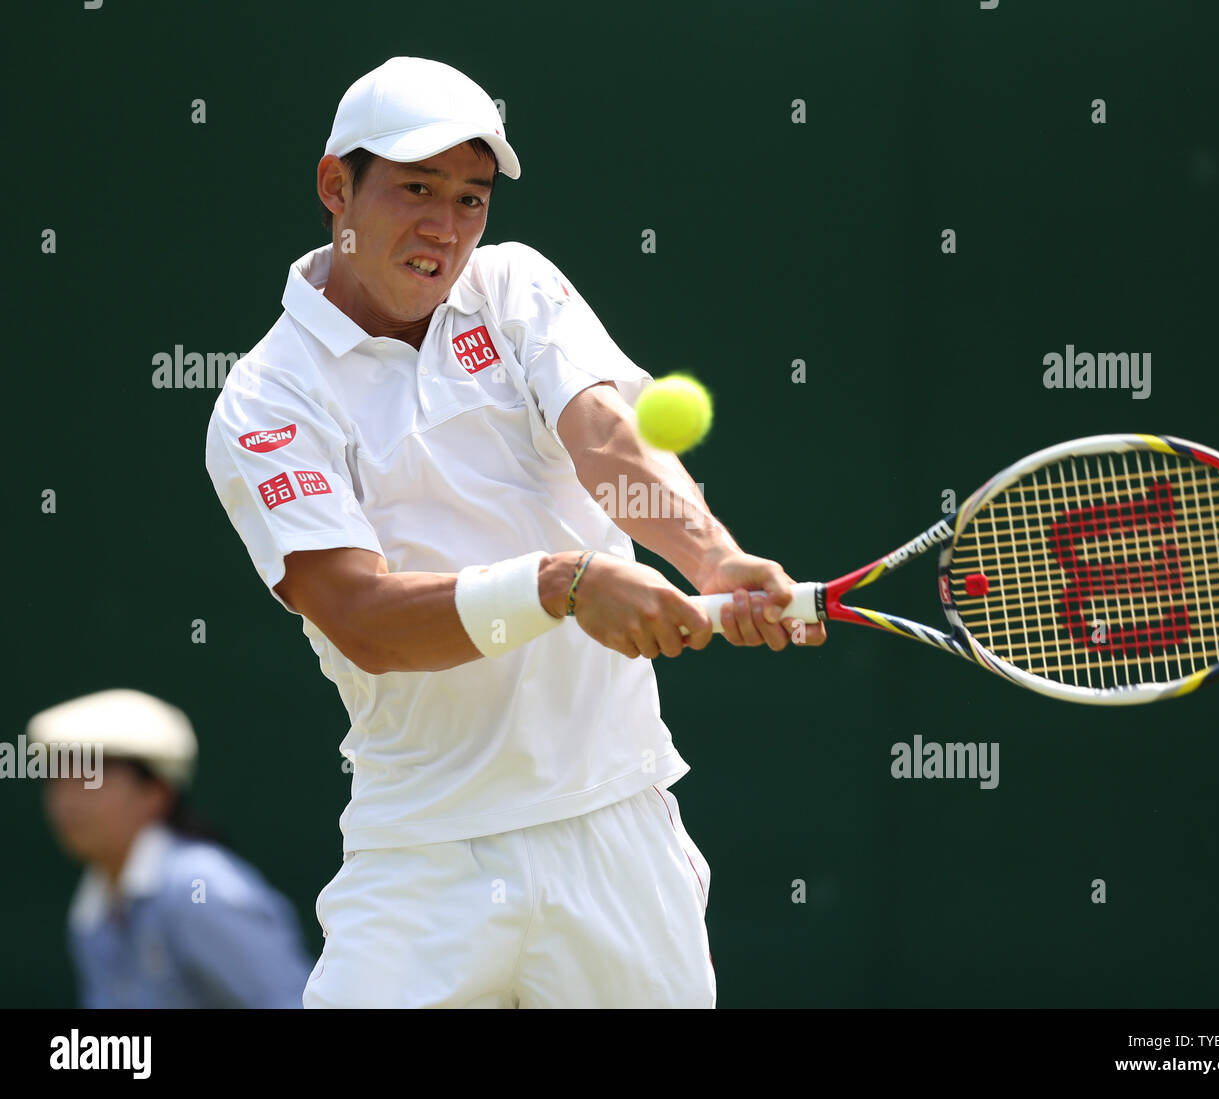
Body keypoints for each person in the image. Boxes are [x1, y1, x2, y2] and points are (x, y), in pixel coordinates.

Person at [204, 55, 827, 1009]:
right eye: (416, 190)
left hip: (616, 832)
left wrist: (715, 558)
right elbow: (362, 617)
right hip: (423, 854)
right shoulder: (265, 397)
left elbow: (608, 444)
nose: (443, 229)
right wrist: (563, 583)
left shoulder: (516, 287)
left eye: (470, 199)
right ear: (338, 185)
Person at [29, 688, 314, 1008]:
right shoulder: (94, 906)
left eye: (89, 778)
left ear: (156, 791)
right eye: (57, 779)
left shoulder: (200, 889)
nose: (65, 801)